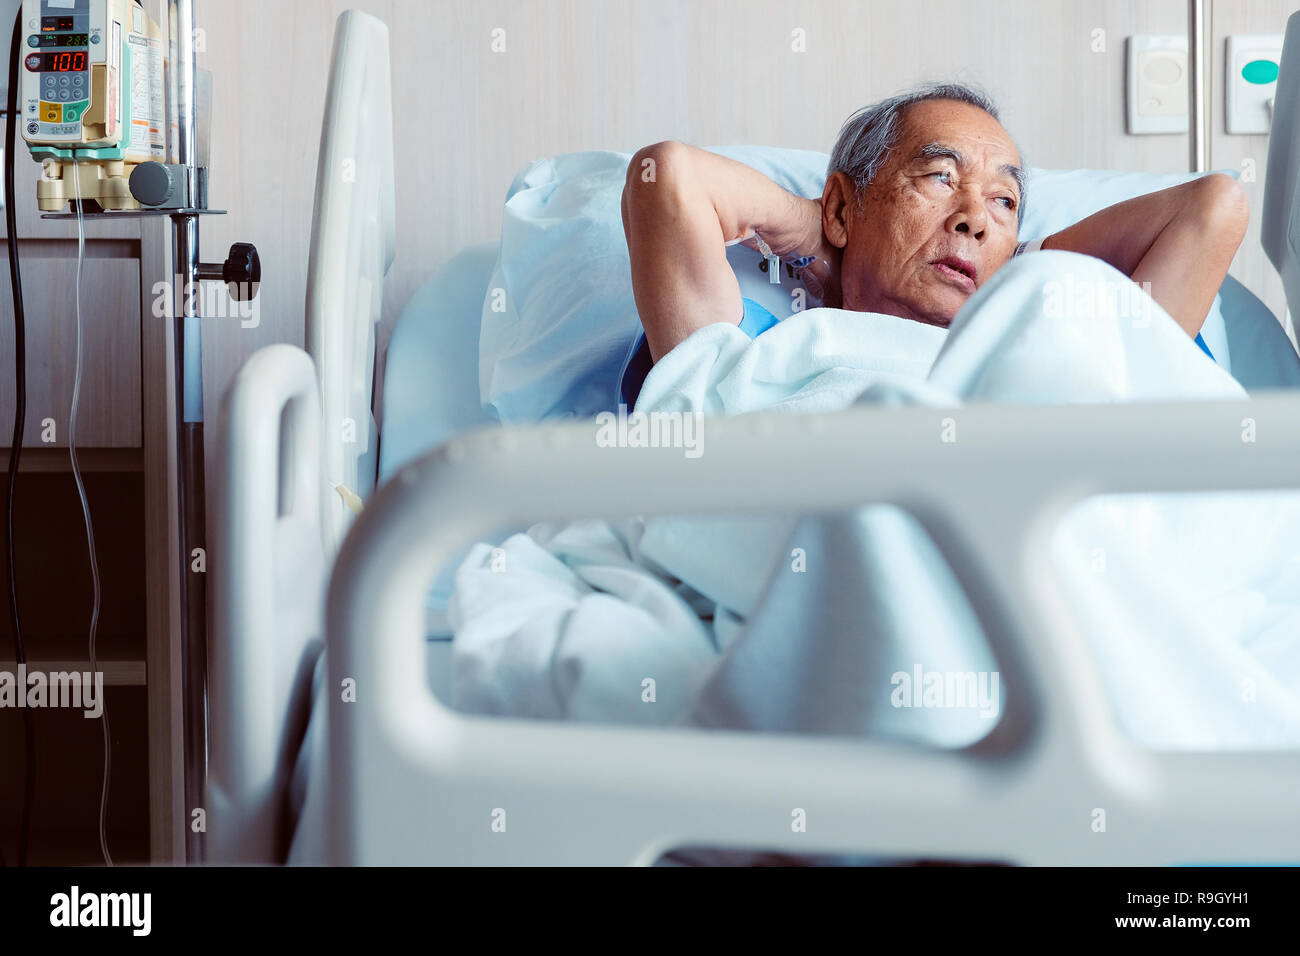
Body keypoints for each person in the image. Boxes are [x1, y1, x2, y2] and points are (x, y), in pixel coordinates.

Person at [619, 83, 1249, 392]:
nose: (975, 216)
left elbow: (1213, 208)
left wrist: (1019, 270)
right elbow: (668, 176)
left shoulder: (1052, 360)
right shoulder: (753, 351)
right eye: (940, 177)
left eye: (1005, 201)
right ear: (843, 203)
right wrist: (818, 227)